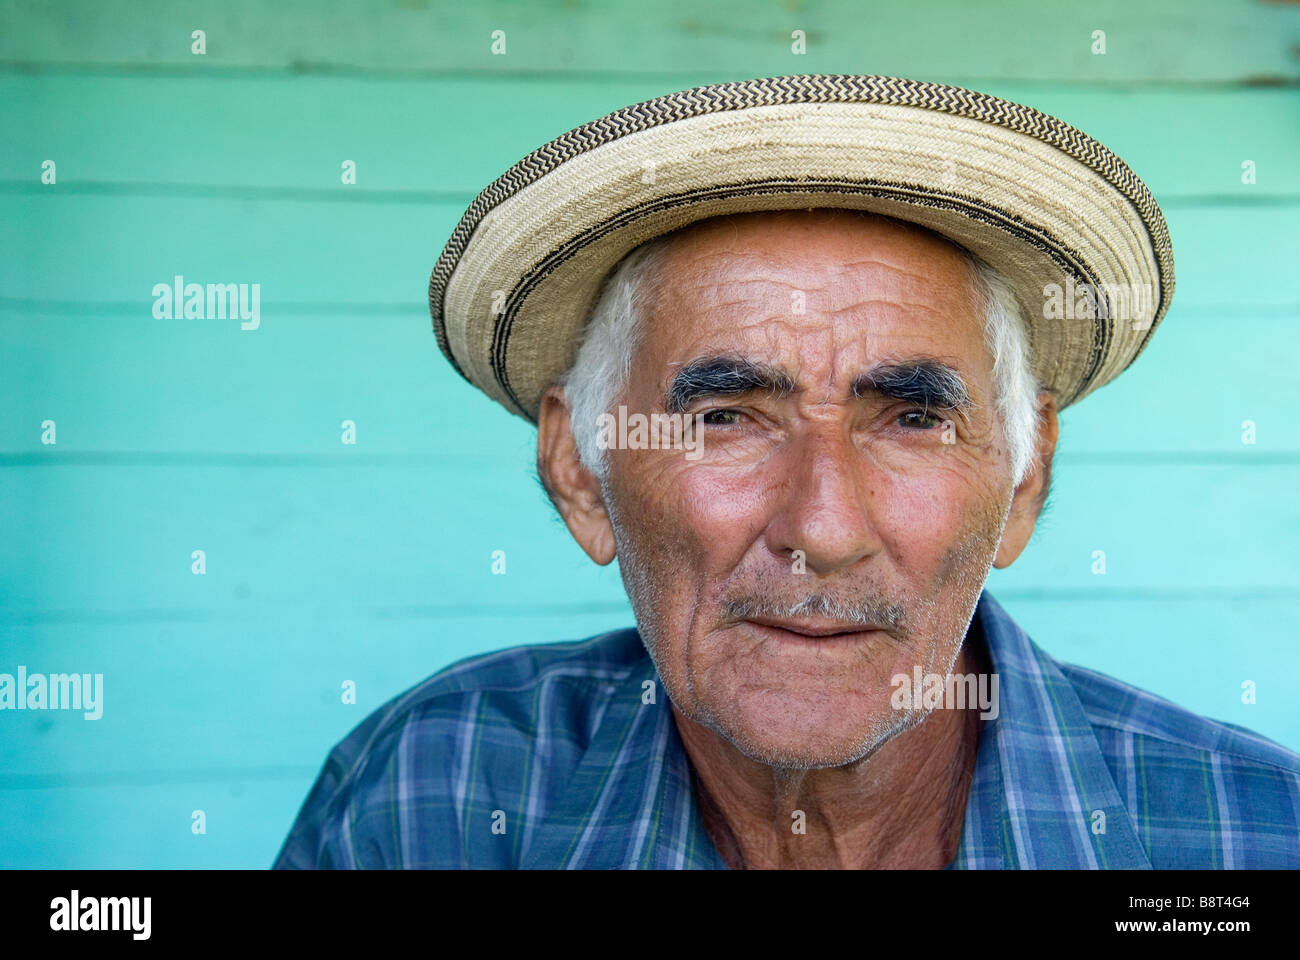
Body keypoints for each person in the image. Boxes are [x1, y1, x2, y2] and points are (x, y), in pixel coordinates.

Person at [275, 74, 1300, 869]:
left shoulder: (1247, 832)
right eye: (725, 418)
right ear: (581, 474)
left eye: (910, 418)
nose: (822, 524)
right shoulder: (427, 793)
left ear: (1022, 484)